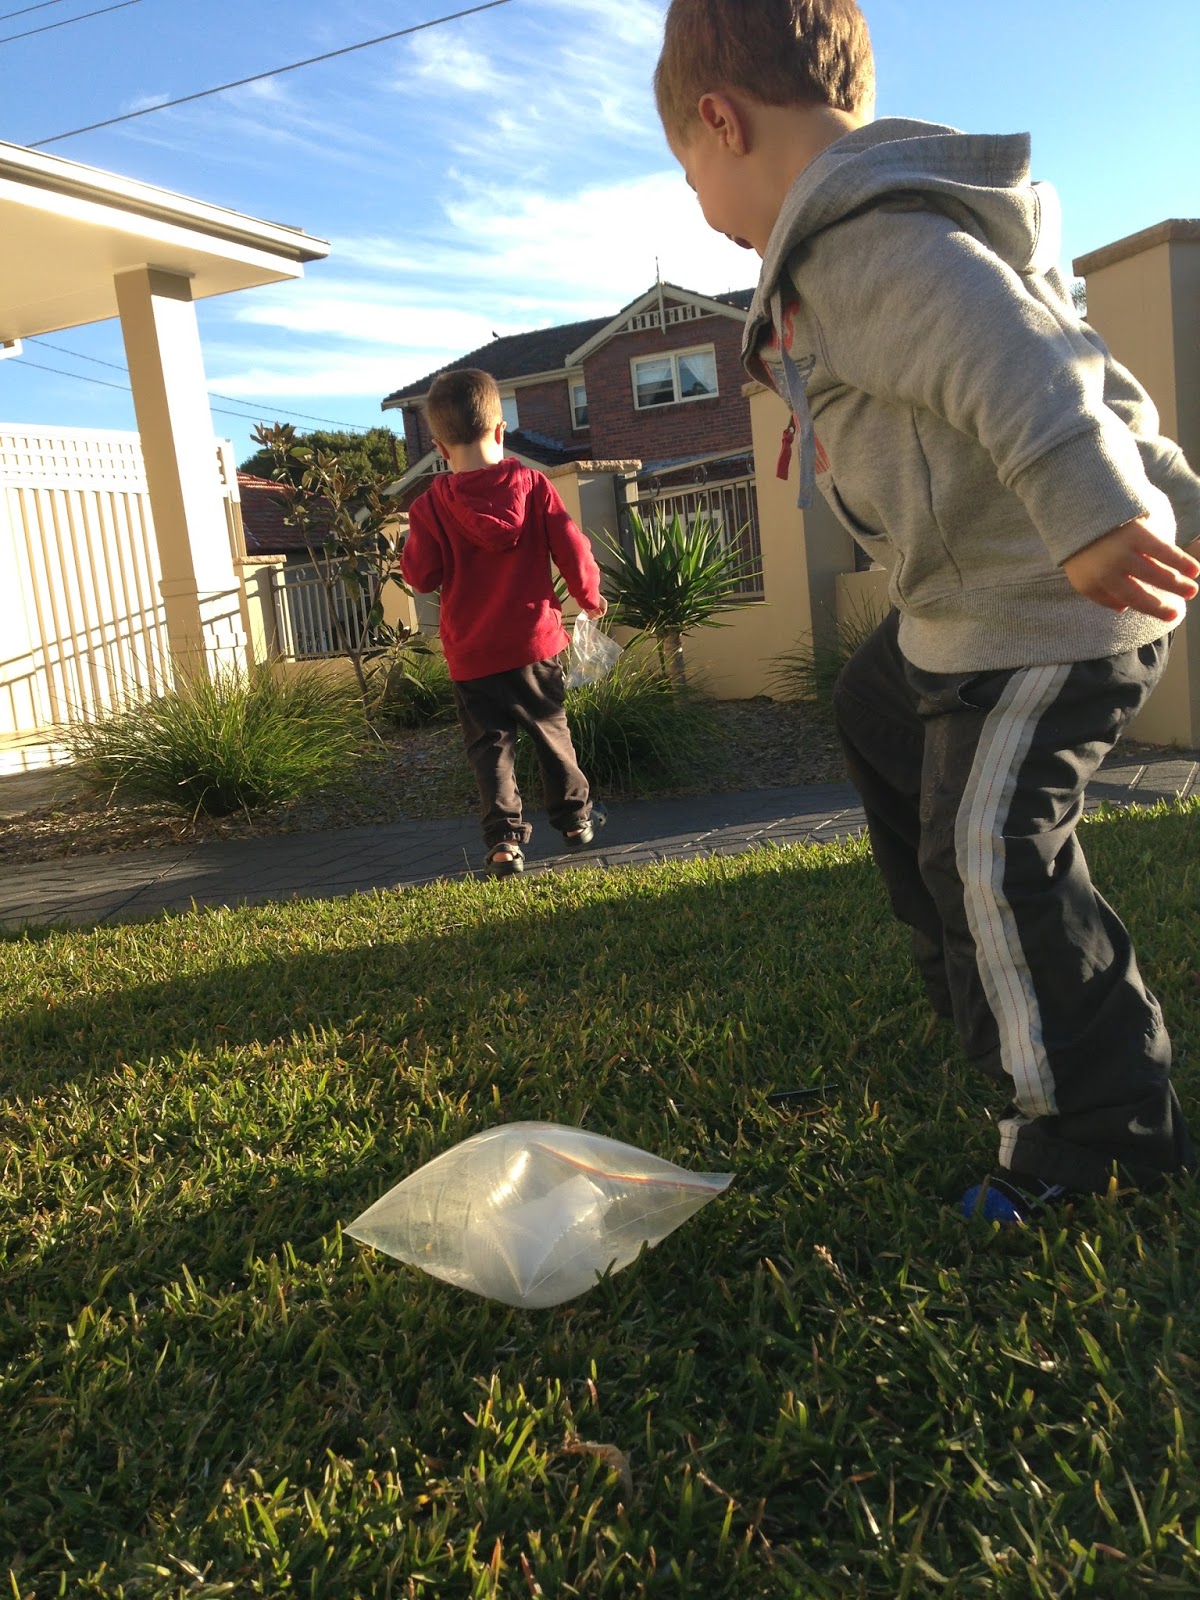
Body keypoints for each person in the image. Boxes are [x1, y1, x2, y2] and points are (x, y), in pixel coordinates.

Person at [654, 0, 1200, 1221]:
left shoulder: (862, 241)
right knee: (878, 716)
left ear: (721, 121)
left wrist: (1096, 507)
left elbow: (1019, 359)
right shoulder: (895, 231)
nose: (699, 200)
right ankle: (993, 998)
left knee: (988, 848)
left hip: (1038, 614)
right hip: (966, 609)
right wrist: (1169, 494)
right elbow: (1093, 364)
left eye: (688, 172)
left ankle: (1101, 1139)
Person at [401, 368, 608, 877]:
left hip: (472, 654)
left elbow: (422, 576)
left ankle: (503, 844)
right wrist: (589, 597)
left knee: (489, 748)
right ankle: (576, 820)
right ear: (500, 430)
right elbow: (572, 547)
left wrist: (415, 539)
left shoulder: (430, 506)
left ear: (440, 448)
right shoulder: (534, 486)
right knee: (551, 732)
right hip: (534, 643)